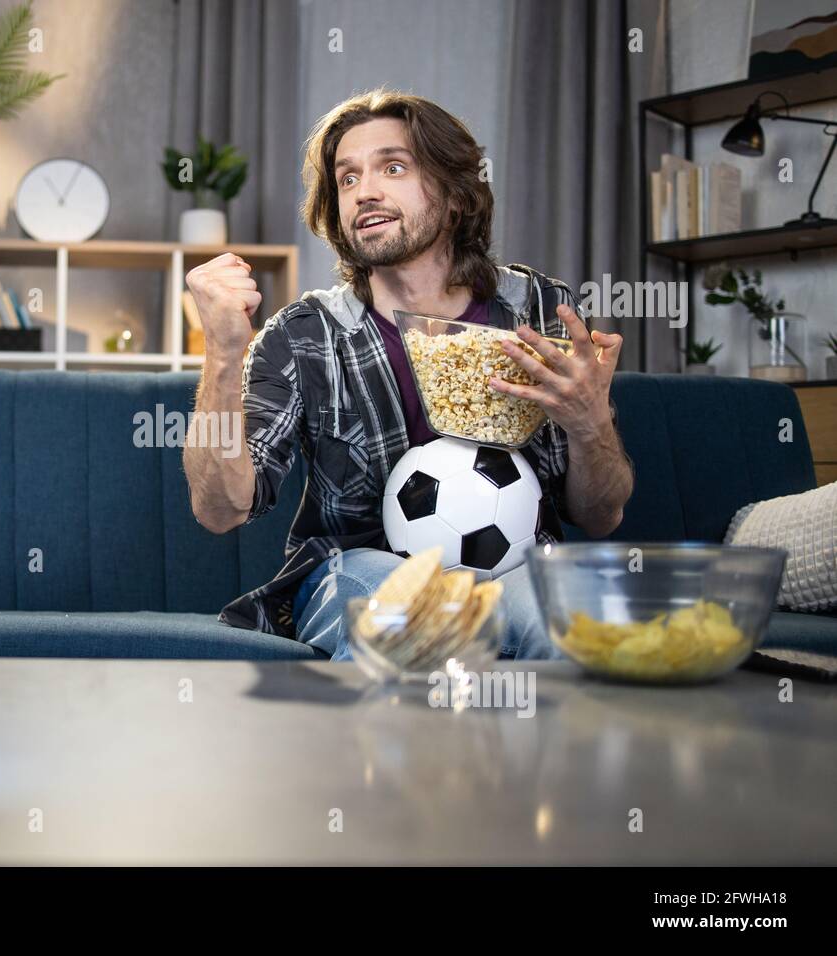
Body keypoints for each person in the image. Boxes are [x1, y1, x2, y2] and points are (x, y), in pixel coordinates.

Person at [182, 89, 634, 662]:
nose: (364, 191)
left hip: (520, 569)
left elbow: (601, 514)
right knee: (406, 633)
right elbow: (219, 510)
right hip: (361, 568)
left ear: (454, 198)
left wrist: (590, 424)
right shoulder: (304, 335)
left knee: (570, 636)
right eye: (346, 179)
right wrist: (223, 354)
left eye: (393, 168)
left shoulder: (539, 310)